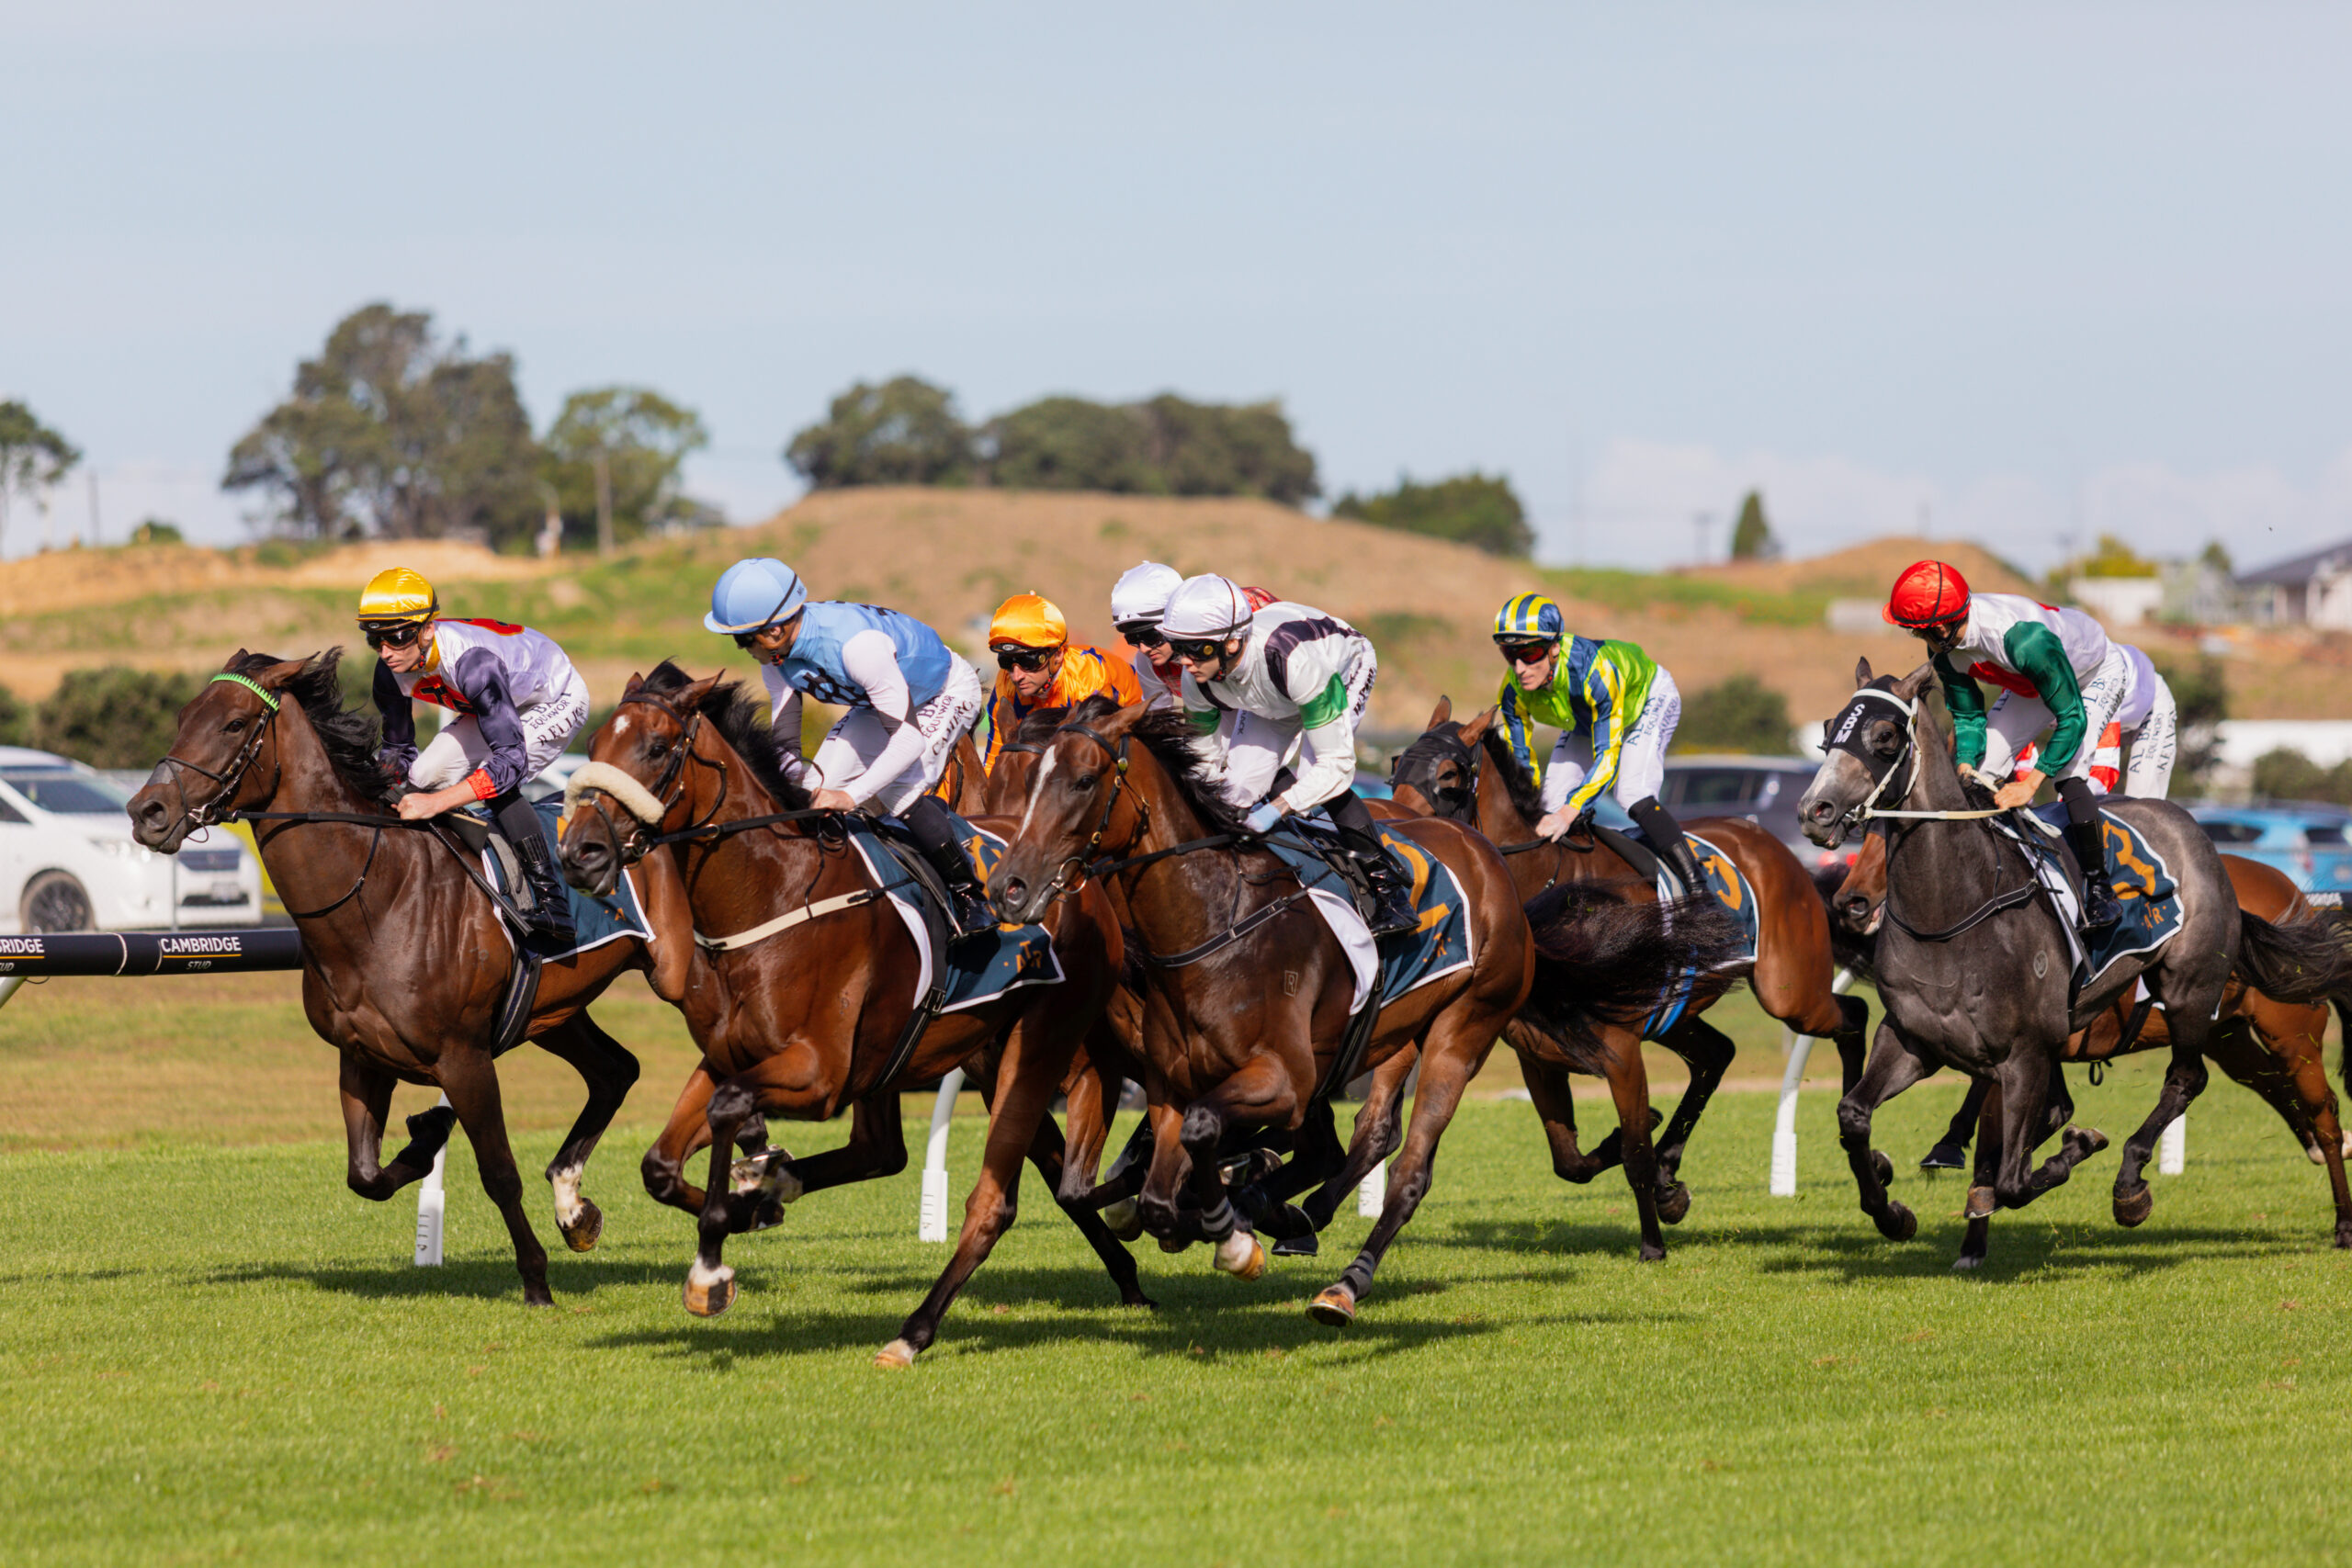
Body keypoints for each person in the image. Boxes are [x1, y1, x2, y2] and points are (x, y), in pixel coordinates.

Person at [705, 558, 993, 935]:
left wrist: (849, 797)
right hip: (879, 705)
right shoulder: (774, 660)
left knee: (896, 790)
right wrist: (792, 796)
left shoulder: (858, 648)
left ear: (775, 631)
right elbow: (786, 745)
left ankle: (970, 895)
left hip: (942, 692)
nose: (740, 647)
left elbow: (908, 741)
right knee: (811, 791)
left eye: (743, 638)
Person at [1158, 573, 1418, 936]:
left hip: (1338, 671)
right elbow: (1203, 765)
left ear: (1231, 643)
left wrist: (1274, 811)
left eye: (1193, 649)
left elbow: (1337, 768)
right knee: (1237, 790)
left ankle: (1388, 891)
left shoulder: (1297, 660)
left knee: (1318, 781)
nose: (1182, 661)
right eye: (1175, 645)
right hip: (1274, 692)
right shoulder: (1197, 677)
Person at [1883, 558, 2133, 931]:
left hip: (2093, 673)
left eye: (1918, 632)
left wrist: (2030, 784)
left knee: (2067, 772)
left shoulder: (2021, 639)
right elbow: (1968, 717)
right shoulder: (1945, 650)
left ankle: (2100, 888)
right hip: (2031, 682)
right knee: (1980, 773)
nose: (1918, 639)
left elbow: (2072, 719)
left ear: (1941, 625)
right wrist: (1966, 761)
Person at [360, 567, 587, 951]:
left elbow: (509, 762)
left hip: (555, 697)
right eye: (375, 639)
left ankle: (553, 904)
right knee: (421, 774)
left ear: (427, 629)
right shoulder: (390, 670)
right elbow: (398, 750)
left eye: (396, 637)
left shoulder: (471, 663)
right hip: (495, 702)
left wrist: (436, 802)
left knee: (494, 781)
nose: (386, 651)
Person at [1489, 593, 1709, 898]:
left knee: (1631, 792)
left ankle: (1698, 888)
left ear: (1554, 649)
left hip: (1647, 699)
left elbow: (1608, 758)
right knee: (1548, 806)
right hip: (1588, 719)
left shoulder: (1593, 672)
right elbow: (1522, 766)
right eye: (1509, 654)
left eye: (1529, 653)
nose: (1519, 668)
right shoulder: (1512, 691)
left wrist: (1571, 811)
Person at [979, 592, 1144, 770]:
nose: (1017, 676)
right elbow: (994, 762)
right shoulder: (1006, 681)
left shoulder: (1088, 678)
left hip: (1138, 734)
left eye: (1028, 662)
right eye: (1007, 661)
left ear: (1057, 655)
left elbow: (1086, 764)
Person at [1109, 561, 1279, 708]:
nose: (1144, 649)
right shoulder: (1147, 663)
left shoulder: (1246, 609)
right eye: (1133, 639)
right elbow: (1158, 724)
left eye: (1152, 636)